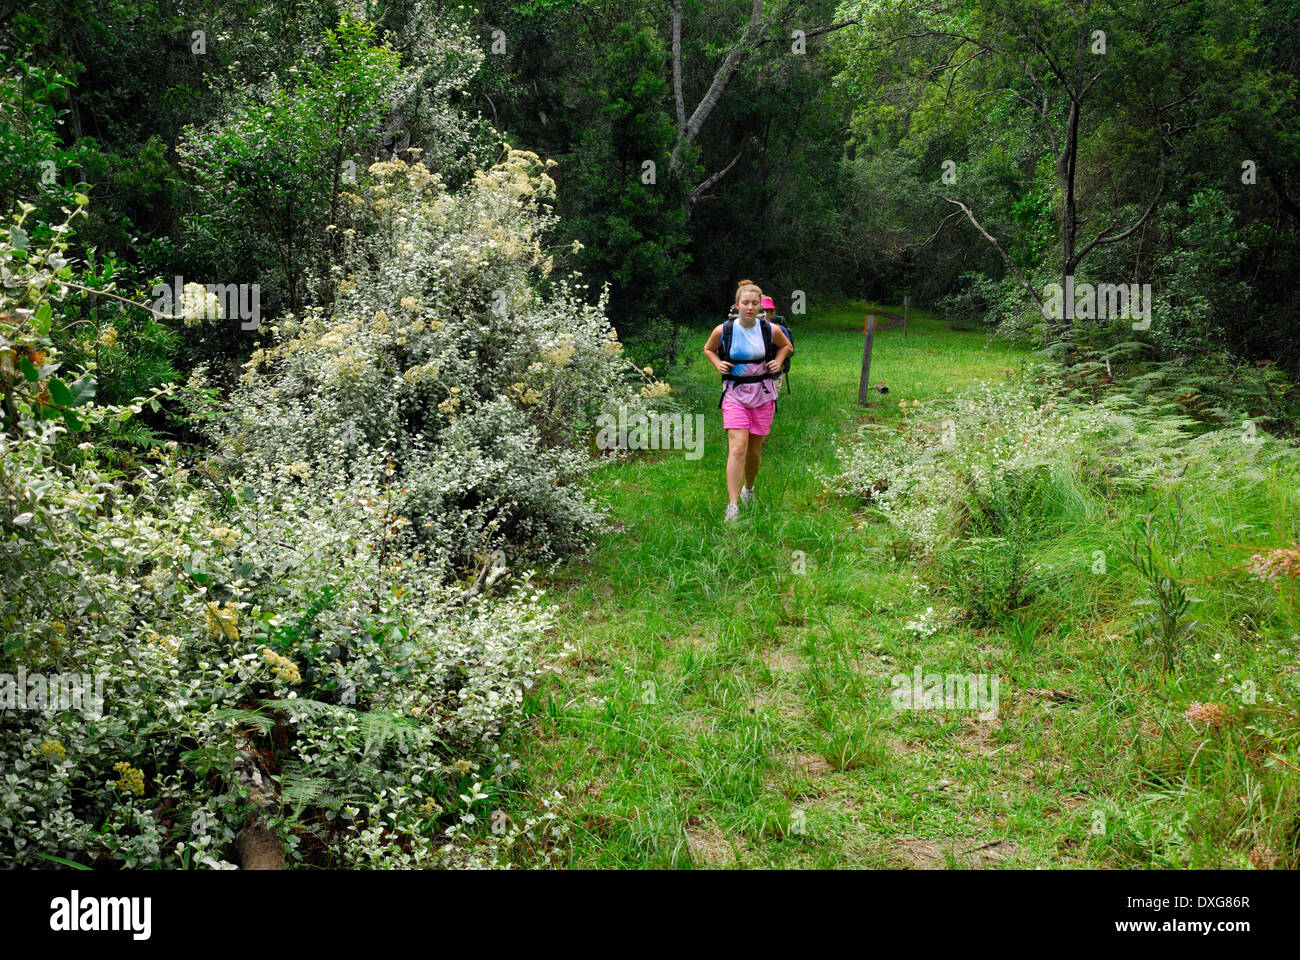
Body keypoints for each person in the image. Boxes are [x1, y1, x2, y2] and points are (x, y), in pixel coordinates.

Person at [703, 279, 793, 521]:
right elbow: (708, 349)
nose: (750, 307)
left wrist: (779, 360)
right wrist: (717, 364)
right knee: (738, 447)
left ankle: (748, 488)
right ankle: (732, 506)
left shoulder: (769, 330)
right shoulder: (724, 330)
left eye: (755, 303)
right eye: (746, 303)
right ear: (737, 304)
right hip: (734, 393)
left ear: (760, 307)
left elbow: (787, 346)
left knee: (754, 450)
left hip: (763, 394)